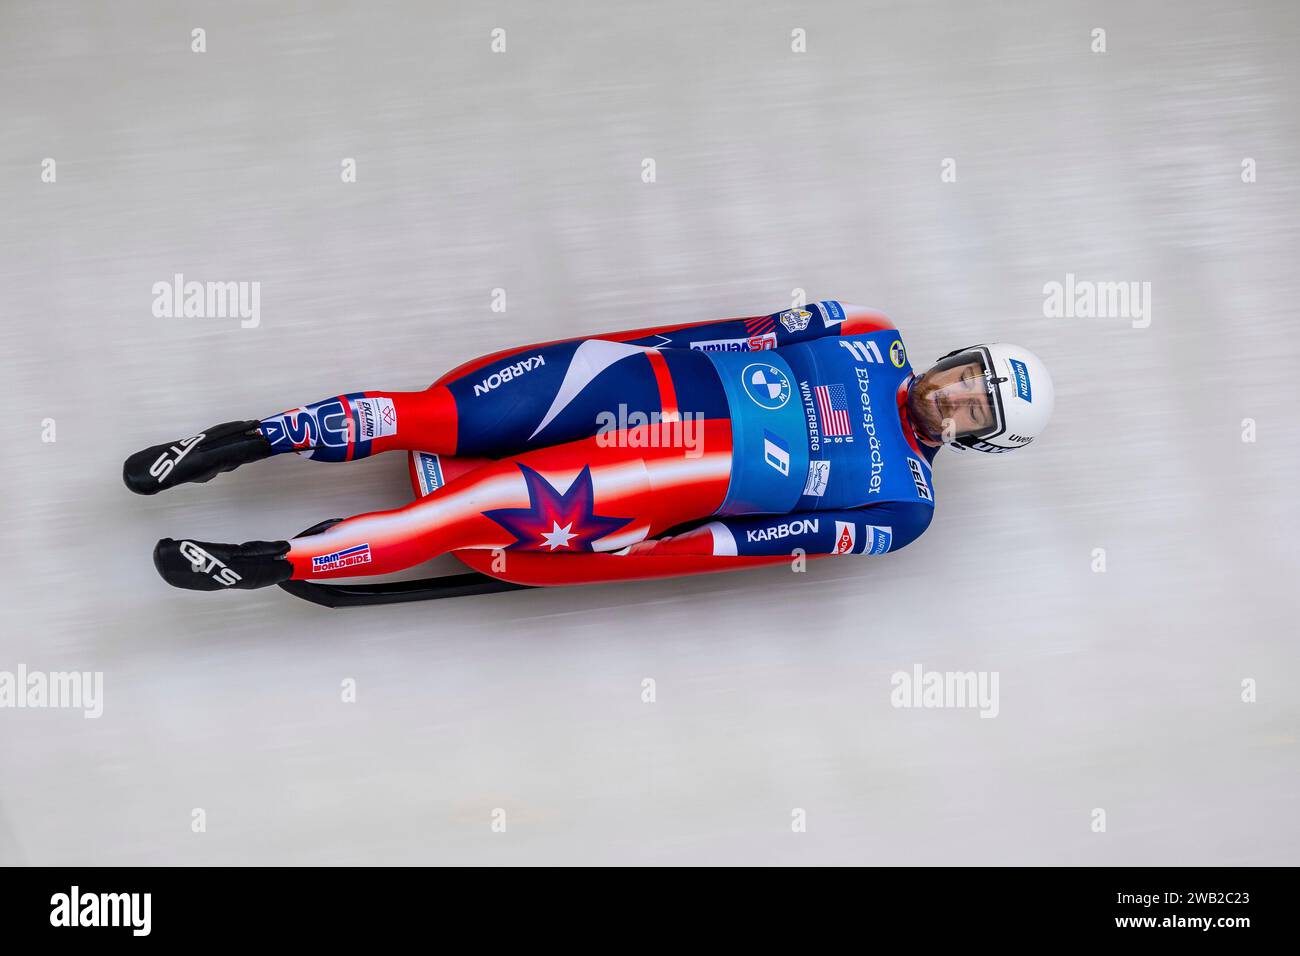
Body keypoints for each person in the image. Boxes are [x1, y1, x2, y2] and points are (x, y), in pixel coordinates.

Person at [123, 301, 1054, 591]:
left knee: (463, 511)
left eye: (977, 411)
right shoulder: (867, 329)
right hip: (641, 385)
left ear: (981, 442)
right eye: (969, 375)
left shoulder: (906, 507)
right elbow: (737, 329)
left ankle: (267, 561)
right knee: (444, 417)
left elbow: (765, 543)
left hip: (660, 477)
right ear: (955, 356)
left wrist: (651, 551)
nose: (957, 396)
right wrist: (630, 350)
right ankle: (244, 439)